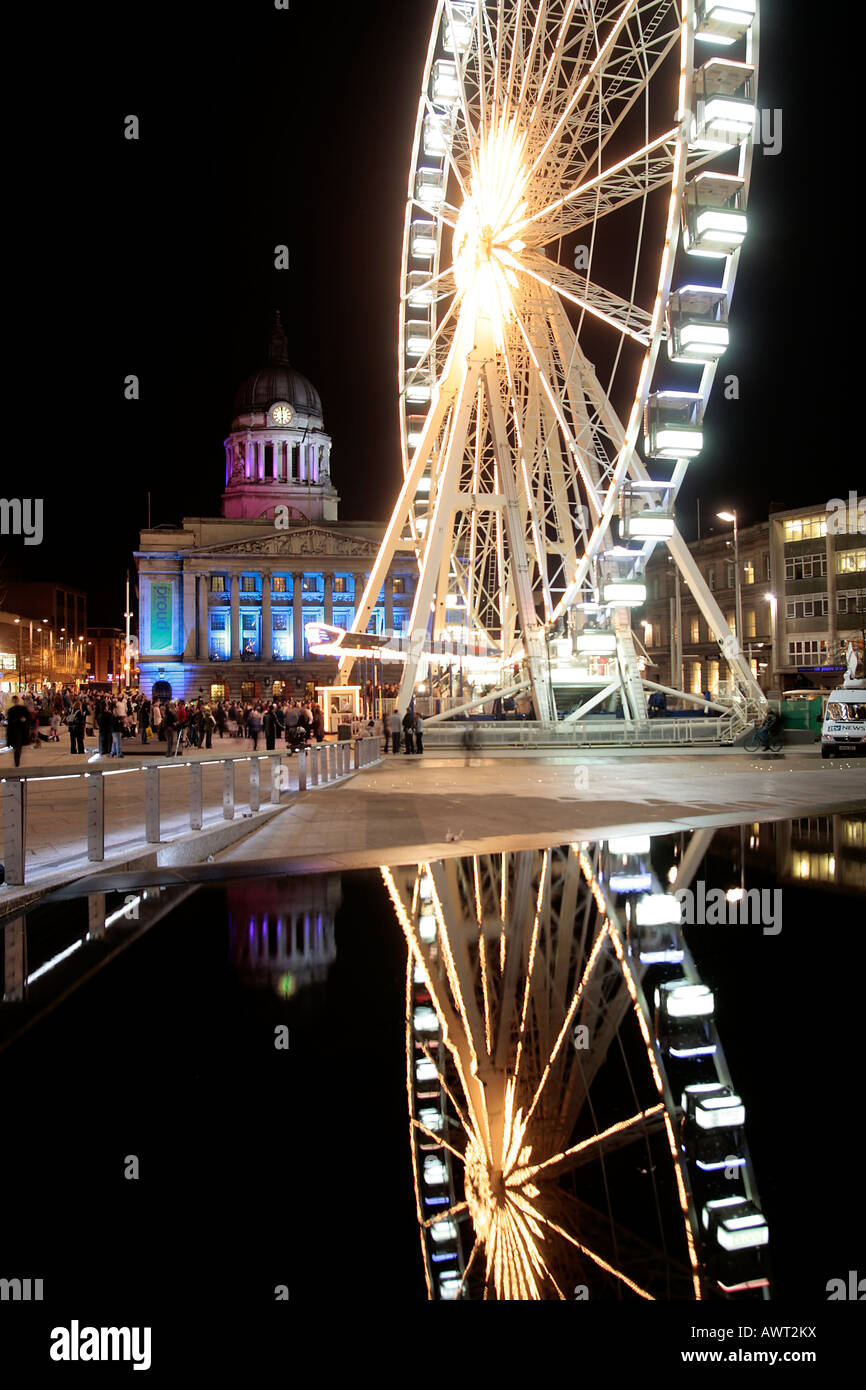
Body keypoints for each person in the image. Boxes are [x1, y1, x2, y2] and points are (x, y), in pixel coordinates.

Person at [5, 696, 30, 767]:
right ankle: (17, 761)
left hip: (19, 730)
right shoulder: (11, 710)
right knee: (17, 747)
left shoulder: (21, 709)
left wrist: (24, 719)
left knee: (17, 747)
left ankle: (17, 761)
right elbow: (9, 722)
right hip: (14, 730)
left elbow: (28, 718)